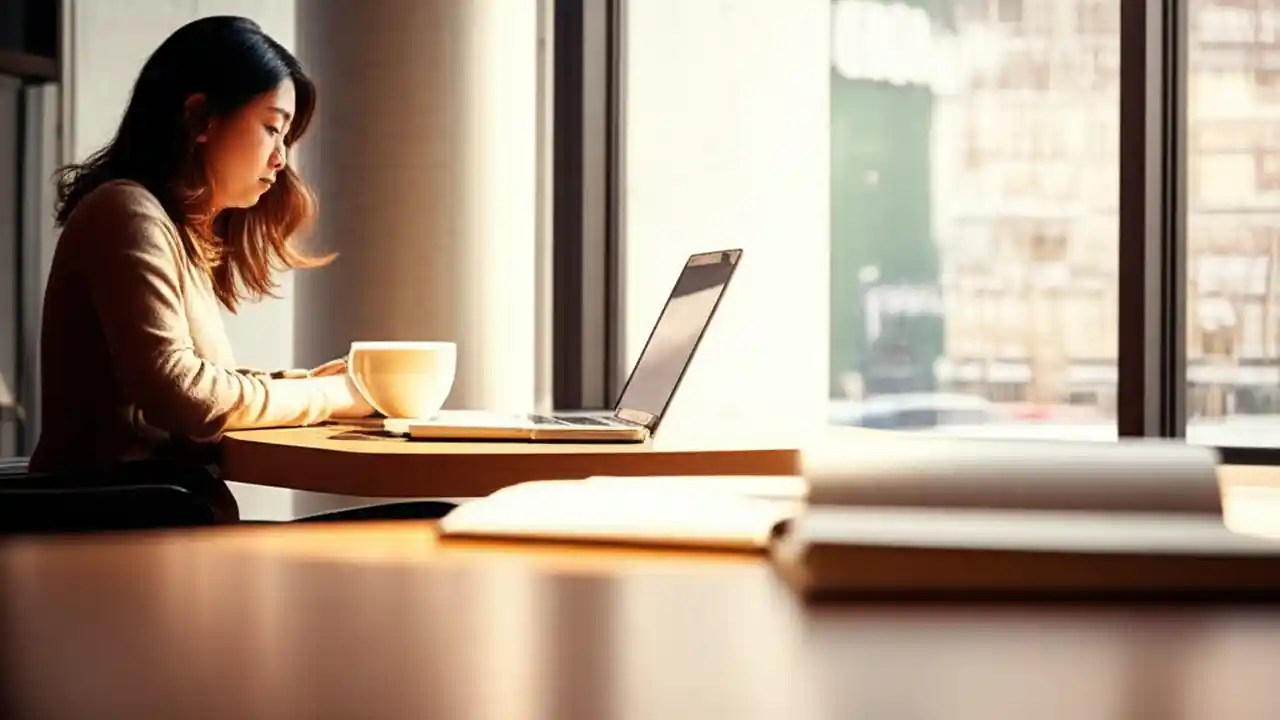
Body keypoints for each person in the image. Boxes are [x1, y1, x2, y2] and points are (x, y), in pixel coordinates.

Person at [29, 16, 373, 518]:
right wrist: (329, 396)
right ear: (200, 119)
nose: (281, 160)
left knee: (417, 522)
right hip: (119, 526)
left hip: (159, 518)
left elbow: (196, 383)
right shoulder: (126, 211)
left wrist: (308, 384)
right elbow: (187, 398)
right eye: (272, 128)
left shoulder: (171, 228)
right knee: (419, 523)